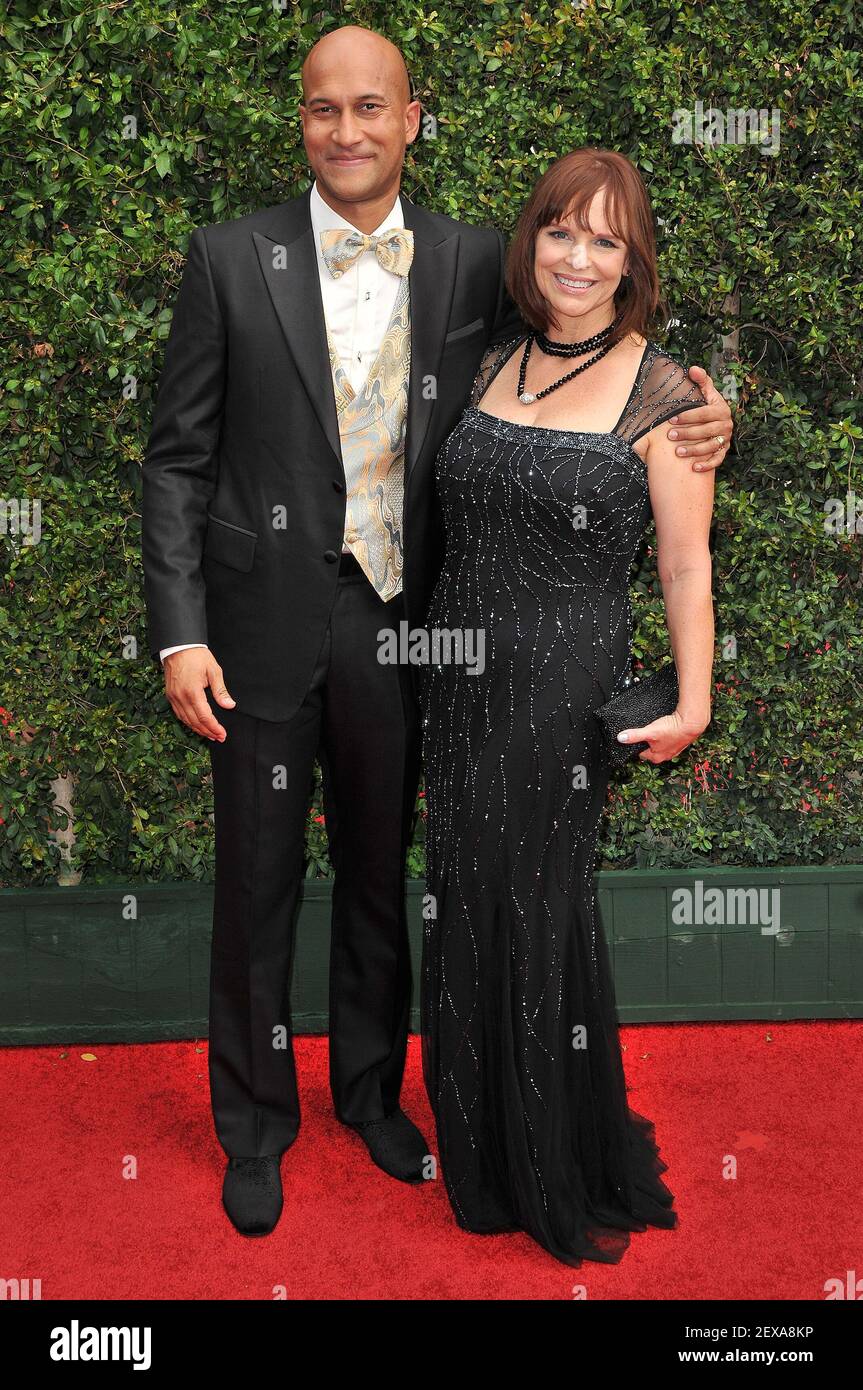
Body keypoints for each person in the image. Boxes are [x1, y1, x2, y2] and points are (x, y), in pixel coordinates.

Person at [141, 25, 732, 1239]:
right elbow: (175, 463)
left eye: (371, 107)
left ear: (413, 118)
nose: (346, 130)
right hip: (253, 631)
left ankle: (369, 1092)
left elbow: (594, 349)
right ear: (300, 122)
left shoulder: (472, 264)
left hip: (409, 629)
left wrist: (706, 406)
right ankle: (256, 1127)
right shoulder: (224, 259)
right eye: (322, 109)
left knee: (377, 873)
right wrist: (179, 631)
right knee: (254, 882)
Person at [420, 148, 716, 1266]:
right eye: (559, 230)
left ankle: (548, 1154)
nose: (576, 256)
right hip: (455, 686)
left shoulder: (666, 395)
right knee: (462, 897)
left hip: (557, 694)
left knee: (534, 911)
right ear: (530, 239)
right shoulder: (492, 356)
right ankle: (479, 1141)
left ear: (632, 260)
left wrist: (692, 696)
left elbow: (684, 567)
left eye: (604, 239)